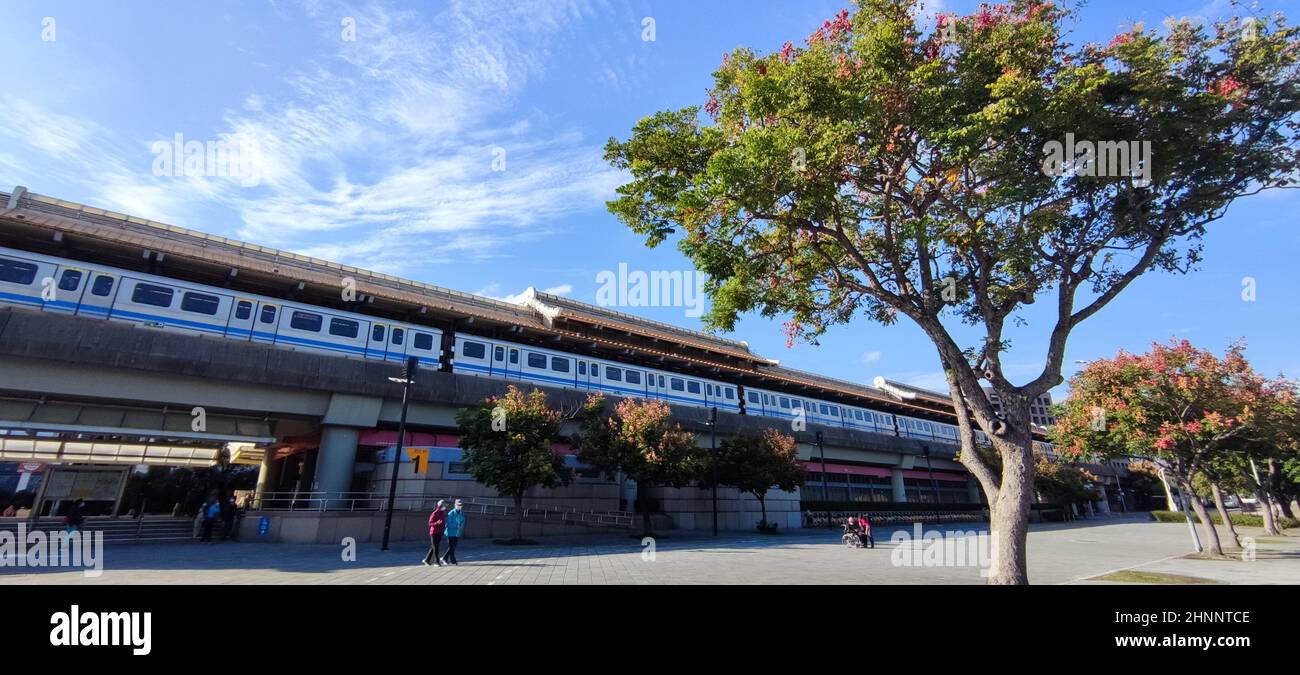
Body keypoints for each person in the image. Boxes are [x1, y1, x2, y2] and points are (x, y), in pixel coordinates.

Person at [422, 500, 448, 566]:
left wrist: (445, 525)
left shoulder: (443, 513)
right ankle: (436, 562)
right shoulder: (435, 513)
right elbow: (430, 523)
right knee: (436, 547)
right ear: (440, 506)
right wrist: (436, 523)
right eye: (444, 506)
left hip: (440, 532)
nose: (445, 507)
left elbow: (442, 522)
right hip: (434, 532)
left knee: (433, 546)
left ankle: (427, 560)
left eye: (445, 506)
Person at [440, 499, 465, 566]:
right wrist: (457, 526)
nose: (460, 506)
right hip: (450, 533)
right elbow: (448, 523)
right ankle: (453, 560)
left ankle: (444, 558)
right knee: (451, 547)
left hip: (457, 533)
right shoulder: (451, 513)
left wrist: (461, 525)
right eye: (458, 505)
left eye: (461, 505)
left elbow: (463, 521)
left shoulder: (461, 513)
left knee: (452, 547)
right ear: (455, 505)